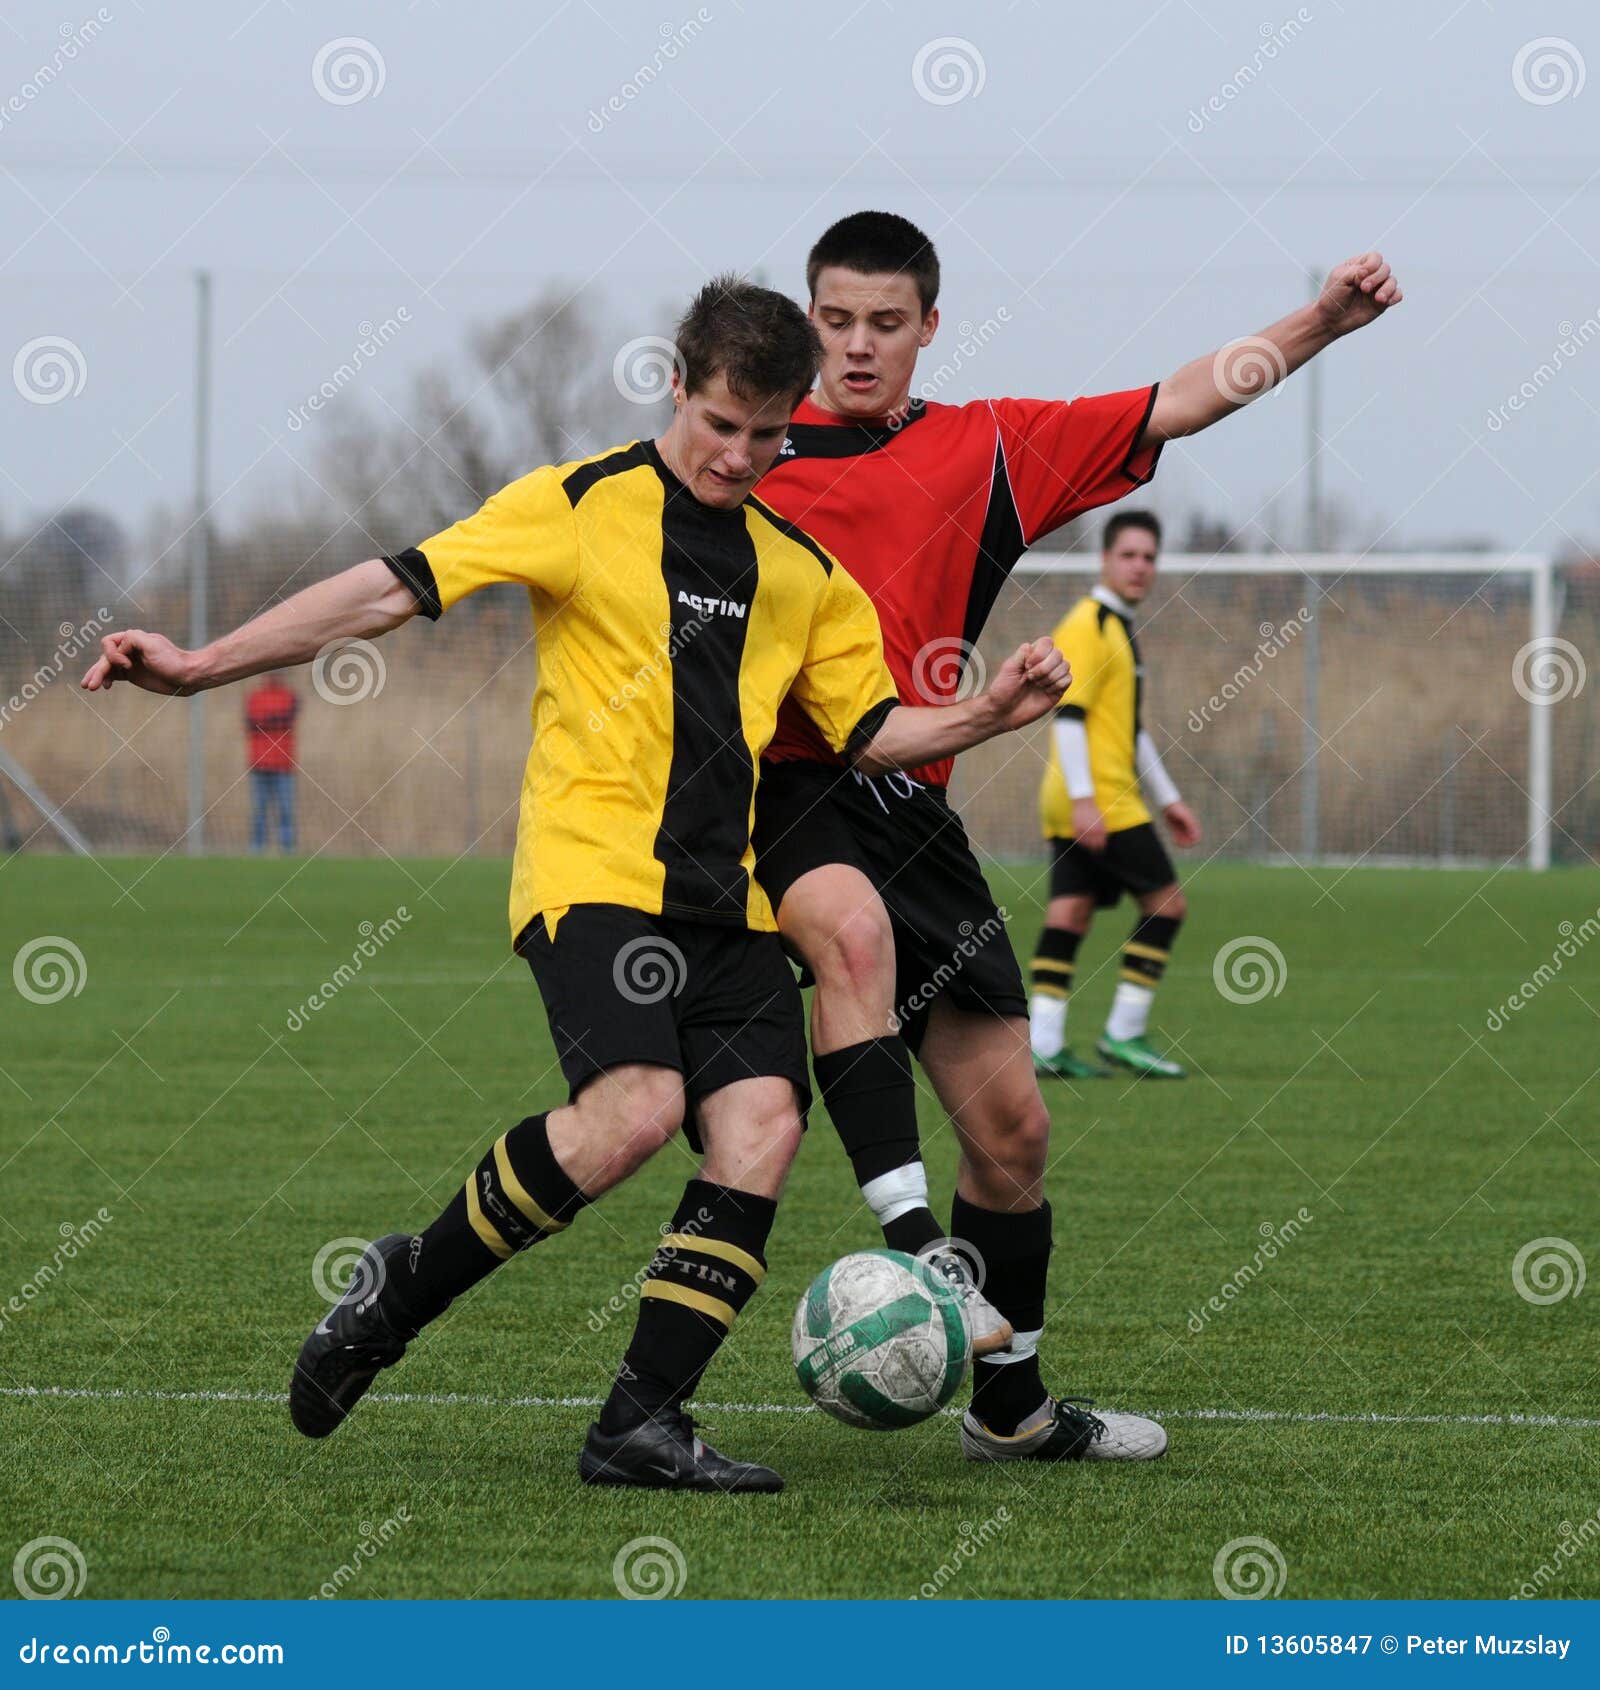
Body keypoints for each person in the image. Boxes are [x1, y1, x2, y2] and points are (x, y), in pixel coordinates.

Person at [81, 277, 1082, 1494]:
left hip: (728, 901)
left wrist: (987, 710)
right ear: (677, 386)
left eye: (769, 435)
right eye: (723, 426)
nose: (743, 456)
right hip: (595, 874)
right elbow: (390, 586)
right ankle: (400, 1291)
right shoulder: (580, 502)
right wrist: (201, 665)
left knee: (762, 1125)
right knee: (637, 1110)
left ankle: (639, 1423)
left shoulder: (801, 569)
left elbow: (865, 729)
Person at [750, 211, 1401, 1464]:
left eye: (886, 323)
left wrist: (1319, 322)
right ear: (807, 318)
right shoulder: (740, 455)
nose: (858, 345)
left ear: (928, 327)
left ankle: (1008, 1410)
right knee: (733, 1100)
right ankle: (688, 1389)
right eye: (835, 320)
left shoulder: (986, 446)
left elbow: (1177, 401)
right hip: (772, 801)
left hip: (910, 806)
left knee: (1014, 1134)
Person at [1030, 511, 1201, 1080]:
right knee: (1167, 907)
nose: (1140, 566)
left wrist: (1170, 798)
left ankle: (1043, 1041)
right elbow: (1070, 717)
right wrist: (1085, 801)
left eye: (1149, 557)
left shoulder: (1119, 626)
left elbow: (1129, 727)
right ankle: (1124, 1035)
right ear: (1104, 559)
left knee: (1071, 913)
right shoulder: (1090, 623)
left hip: (1079, 795)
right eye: (1128, 554)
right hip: (1099, 798)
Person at [244, 671, 298, 852]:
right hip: (259, 764)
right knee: (259, 810)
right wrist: (272, 719)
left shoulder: (289, 696)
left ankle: (287, 849)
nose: (274, 677)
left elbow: (287, 717)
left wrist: (268, 720)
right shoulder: (255, 697)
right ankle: (257, 848)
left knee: (286, 809)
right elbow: (253, 722)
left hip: (283, 765)